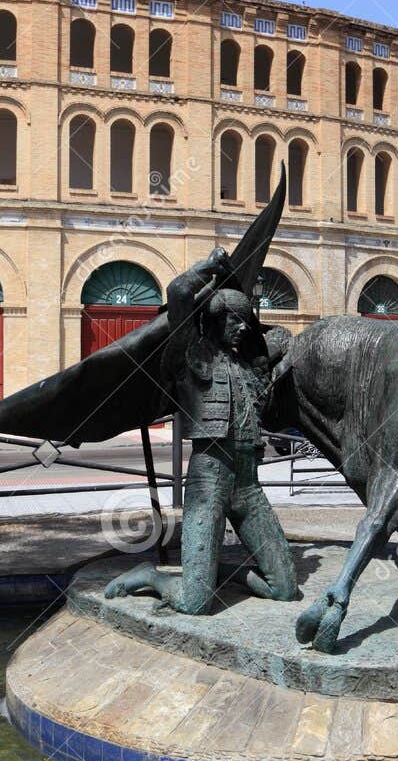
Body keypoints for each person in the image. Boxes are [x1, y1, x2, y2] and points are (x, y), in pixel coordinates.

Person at [104, 249, 299, 613]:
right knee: (195, 605)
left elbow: (285, 341)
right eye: (236, 321)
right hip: (208, 485)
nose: (244, 327)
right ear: (215, 321)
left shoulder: (248, 368)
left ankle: (205, 572)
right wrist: (209, 267)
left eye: (246, 321)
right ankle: (154, 576)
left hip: (248, 487)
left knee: (285, 589)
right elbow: (178, 293)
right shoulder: (190, 357)